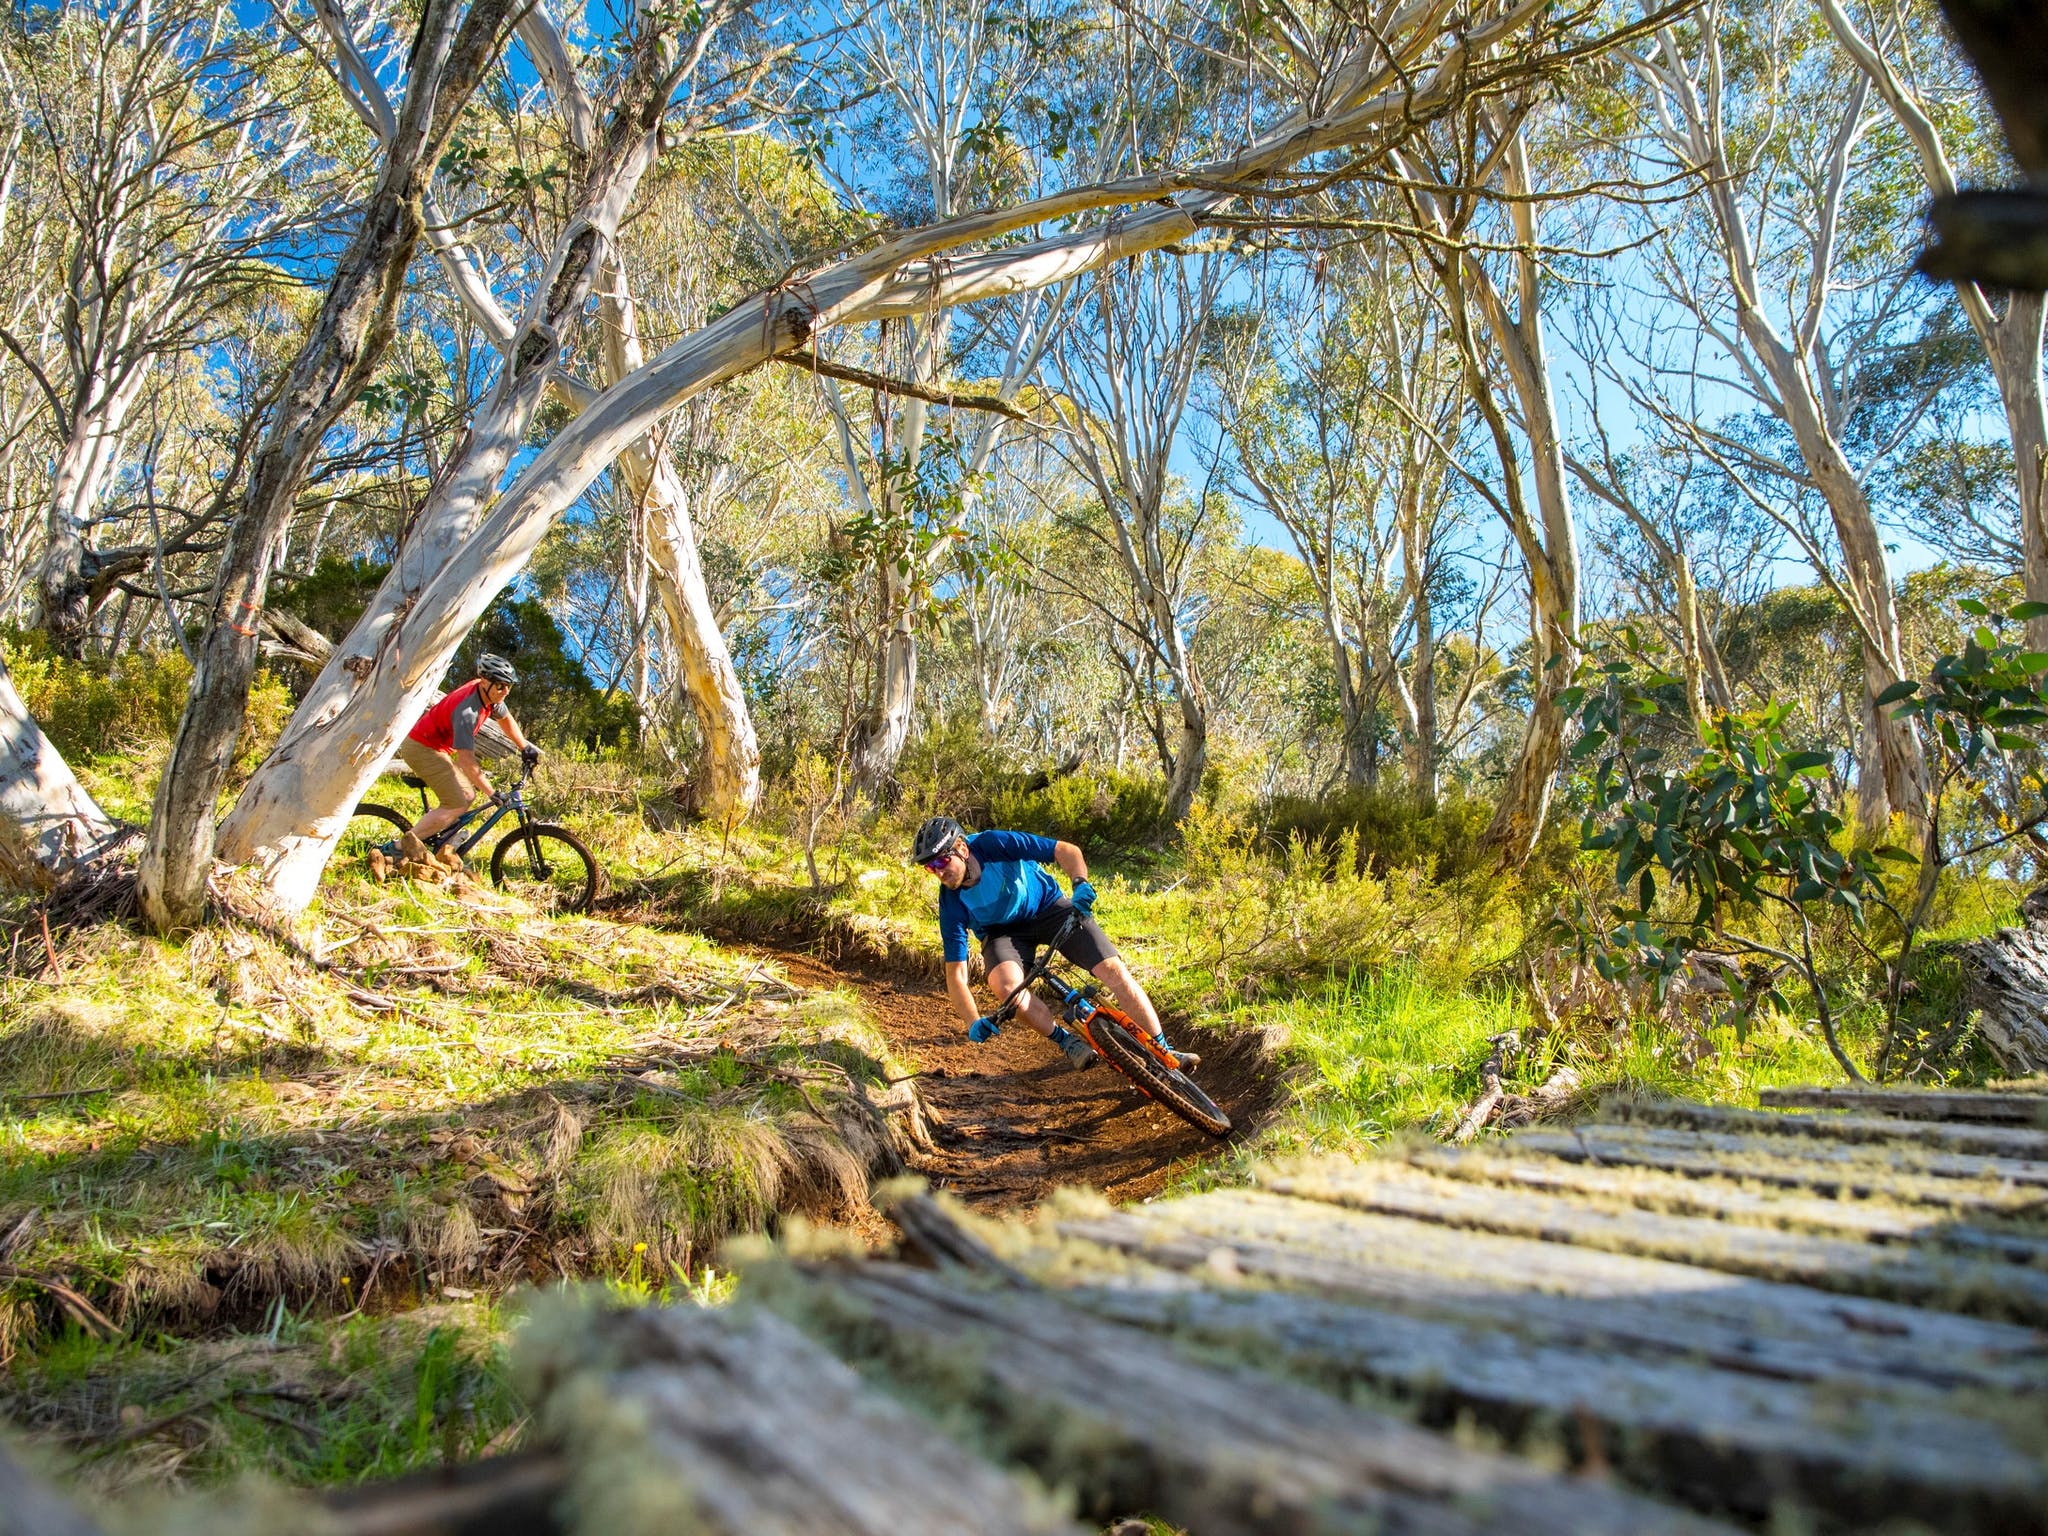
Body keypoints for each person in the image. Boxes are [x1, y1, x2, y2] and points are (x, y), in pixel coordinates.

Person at [911, 816, 1198, 1073]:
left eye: (941, 862)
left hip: (1048, 908)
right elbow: (956, 974)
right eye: (930, 868)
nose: (938, 872)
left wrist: (1080, 883)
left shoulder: (994, 844)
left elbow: (1066, 851)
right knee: (1007, 989)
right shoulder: (951, 903)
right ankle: (1065, 1040)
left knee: (1114, 970)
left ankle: (1164, 1051)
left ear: (961, 848)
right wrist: (972, 1020)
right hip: (1002, 935)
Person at [395, 653, 540, 865]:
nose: (506, 691)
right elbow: (467, 762)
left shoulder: (489, 695)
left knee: (467, 795)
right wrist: (492, 793)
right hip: (421, 748)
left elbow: (506, 719)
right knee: (456, 803)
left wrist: (524, 747)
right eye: (500, 686)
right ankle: (400, 847)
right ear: (485, 681)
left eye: (508, 686)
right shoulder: (467, 712)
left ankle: (436, 838)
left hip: (435, 747)